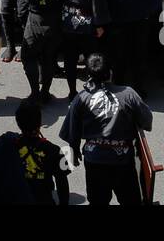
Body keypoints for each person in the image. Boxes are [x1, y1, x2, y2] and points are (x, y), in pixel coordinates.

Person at [61, 53, 153, 206]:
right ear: (110, 71)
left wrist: (74, 149)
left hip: (94, 160)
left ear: (89, 75)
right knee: (130, 201)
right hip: (122, 160)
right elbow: (146, 121)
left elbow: (72, 129)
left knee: (98, 201)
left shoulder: (81, 98)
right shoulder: (128, 94)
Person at [0, 99, 69, 206]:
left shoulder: (6, 142)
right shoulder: (54, 150)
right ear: (40, 122)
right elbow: (62, 182)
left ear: (18, 123)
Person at [60, 0, 111, 100]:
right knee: (91, 58)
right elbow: (98, 4)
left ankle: (72, 91)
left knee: (70, 58)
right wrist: (99, 24)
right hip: (87, 24)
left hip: (67, 19)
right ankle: (91, 89)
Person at [18, 0, 65, 104]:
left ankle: (35, 92)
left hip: (36, 21)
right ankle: (45, 92)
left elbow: (21, 0)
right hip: (56, 20)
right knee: (49, 58)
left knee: (28, 56)